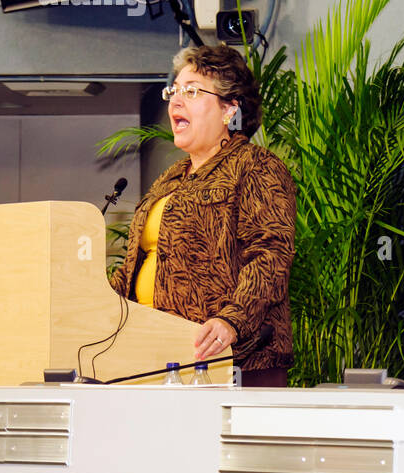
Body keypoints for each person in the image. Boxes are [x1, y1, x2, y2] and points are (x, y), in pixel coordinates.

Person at [110, 47, 296, 387]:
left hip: (234, 361)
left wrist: (232, 321)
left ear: (229, 109)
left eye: (192, 91)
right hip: (156, 357)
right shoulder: (169, 179)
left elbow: (271, 255)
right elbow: (132, 268)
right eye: (174, 91)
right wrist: (90, 301)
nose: (175, 102)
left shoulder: (256, 166)